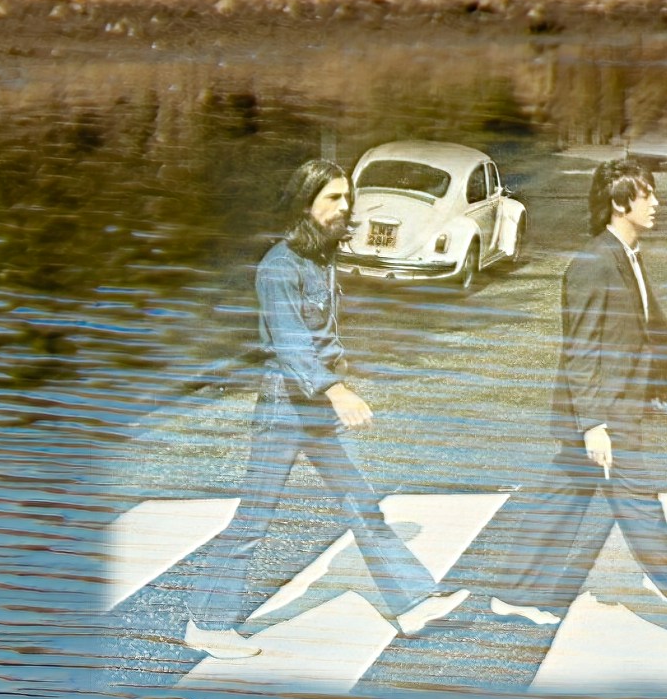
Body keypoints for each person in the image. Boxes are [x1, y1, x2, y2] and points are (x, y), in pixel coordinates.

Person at [183, 159, 466, 660]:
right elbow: (292, 346)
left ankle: (412, 603)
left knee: (362, 503)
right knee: (255, 519)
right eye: (333, 198)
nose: (345, 207)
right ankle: (207, 622)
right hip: (286, 407)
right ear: (306, 203)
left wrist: (335, 383)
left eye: (347, 198)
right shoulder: (279, 266)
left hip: (314, 408)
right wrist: (337, 390)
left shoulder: (321, 257)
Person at [463, 160, 667, 638]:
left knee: (559, 500)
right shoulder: (593, 263)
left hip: (616, 405)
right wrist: (592, 424)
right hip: (606, 412)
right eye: (646, 194)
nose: (655, 203)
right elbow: (580, 349)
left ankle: (514, 594)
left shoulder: (627, 254)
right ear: (619, 202)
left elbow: (653, 327)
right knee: (640, 507)